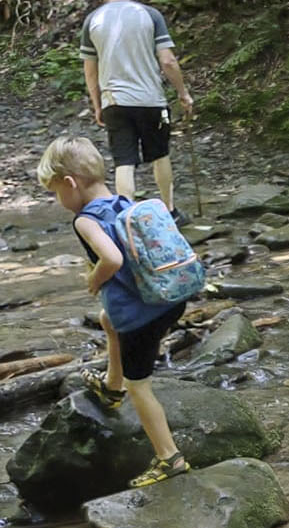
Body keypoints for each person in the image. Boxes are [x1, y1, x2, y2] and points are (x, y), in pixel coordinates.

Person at [36, 134, 192, 488]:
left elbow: (113, 258)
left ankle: (169, 457)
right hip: (170, 297)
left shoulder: (85, 220)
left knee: (142, 387)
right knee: (108, 320)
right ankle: (111, 386)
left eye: (55, 191)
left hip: (142, 316)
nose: (58, 199)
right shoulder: (123, 201)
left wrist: (95, 278)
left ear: (70, 183)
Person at [79, 0, 195, 218]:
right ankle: (169, 211)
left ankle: (127, 218)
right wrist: (183, 93)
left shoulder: (93, 20)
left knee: (124, 160)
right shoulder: (150, 15)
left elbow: (90, 70)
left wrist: (97, 105)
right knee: (160, 154)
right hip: (151, 100)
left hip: (114, 101)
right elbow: (167, 61)